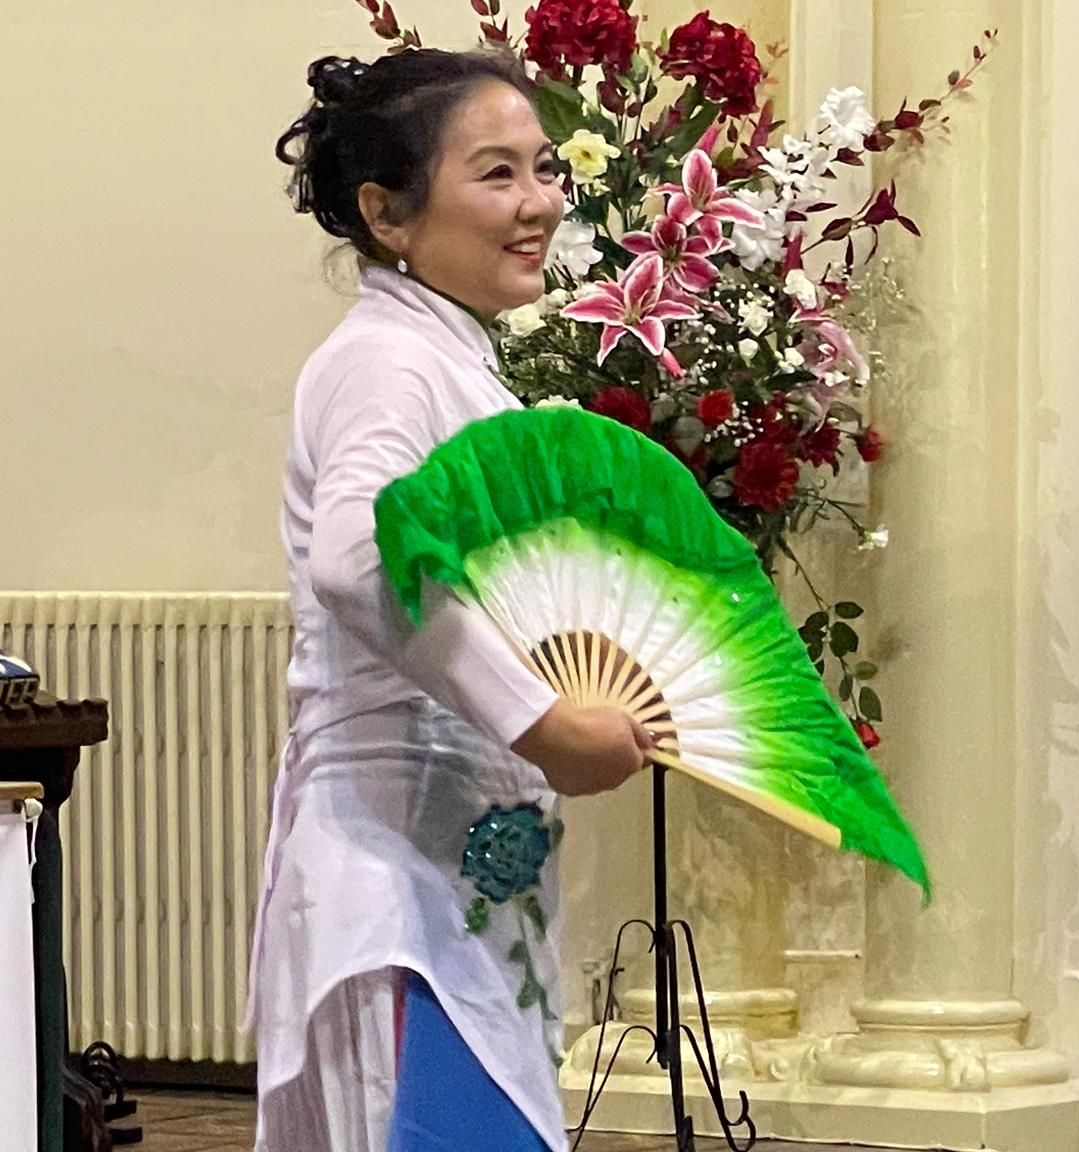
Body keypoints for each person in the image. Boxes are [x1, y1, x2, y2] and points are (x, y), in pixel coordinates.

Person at [251, 48, 651, 1152]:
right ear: (387, 213)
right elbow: (358, 561)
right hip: (397, 880)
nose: (539, 203)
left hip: (450, 862)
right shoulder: (388, 362)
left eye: (540, 168)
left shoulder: (454, 363)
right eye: (496, 175)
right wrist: (541, 718)